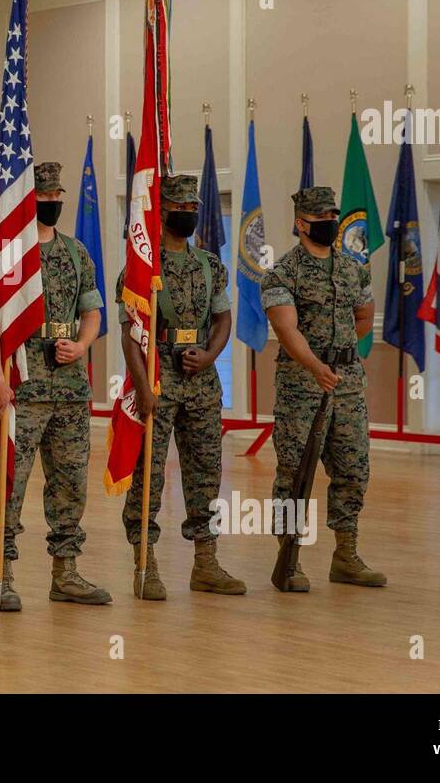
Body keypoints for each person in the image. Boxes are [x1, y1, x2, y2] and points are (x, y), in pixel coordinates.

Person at [0, 161, 110, 611]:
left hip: (70, 390)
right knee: (10, 483)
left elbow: (93, 310)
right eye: (44, 198)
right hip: (22, 387)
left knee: (71, 483)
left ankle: (65, 572)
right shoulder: (6, 256)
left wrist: (82, 345)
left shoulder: (77, 253)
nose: (52, 204)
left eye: (57, 198)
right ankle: (2, 573)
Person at [118, 174, 243, 598]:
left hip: (202, 382)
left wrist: (210, 355)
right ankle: (145, 564)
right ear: (162, 212)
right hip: (158, 380)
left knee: (206, 473)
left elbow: (224, 318)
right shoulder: (141, 269)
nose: (188, 214)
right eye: (180, 208)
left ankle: (205, 562)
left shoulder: (210, 265)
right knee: (148, 475)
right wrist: (143, 388)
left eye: (194, 208)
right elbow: (130, 335)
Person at [260, 186, 386, 590]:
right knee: (294, 471)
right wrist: (316, 364)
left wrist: (339, 351)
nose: (331, 223)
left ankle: (345, 554)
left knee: (353, 468)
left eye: (333, 216)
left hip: (347, 385)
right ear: (301, 224)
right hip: (301, 385)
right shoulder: (282, 273)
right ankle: (289, 555)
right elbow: (286, 329)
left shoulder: (352, 268)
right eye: (321, 219)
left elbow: (364, 315)